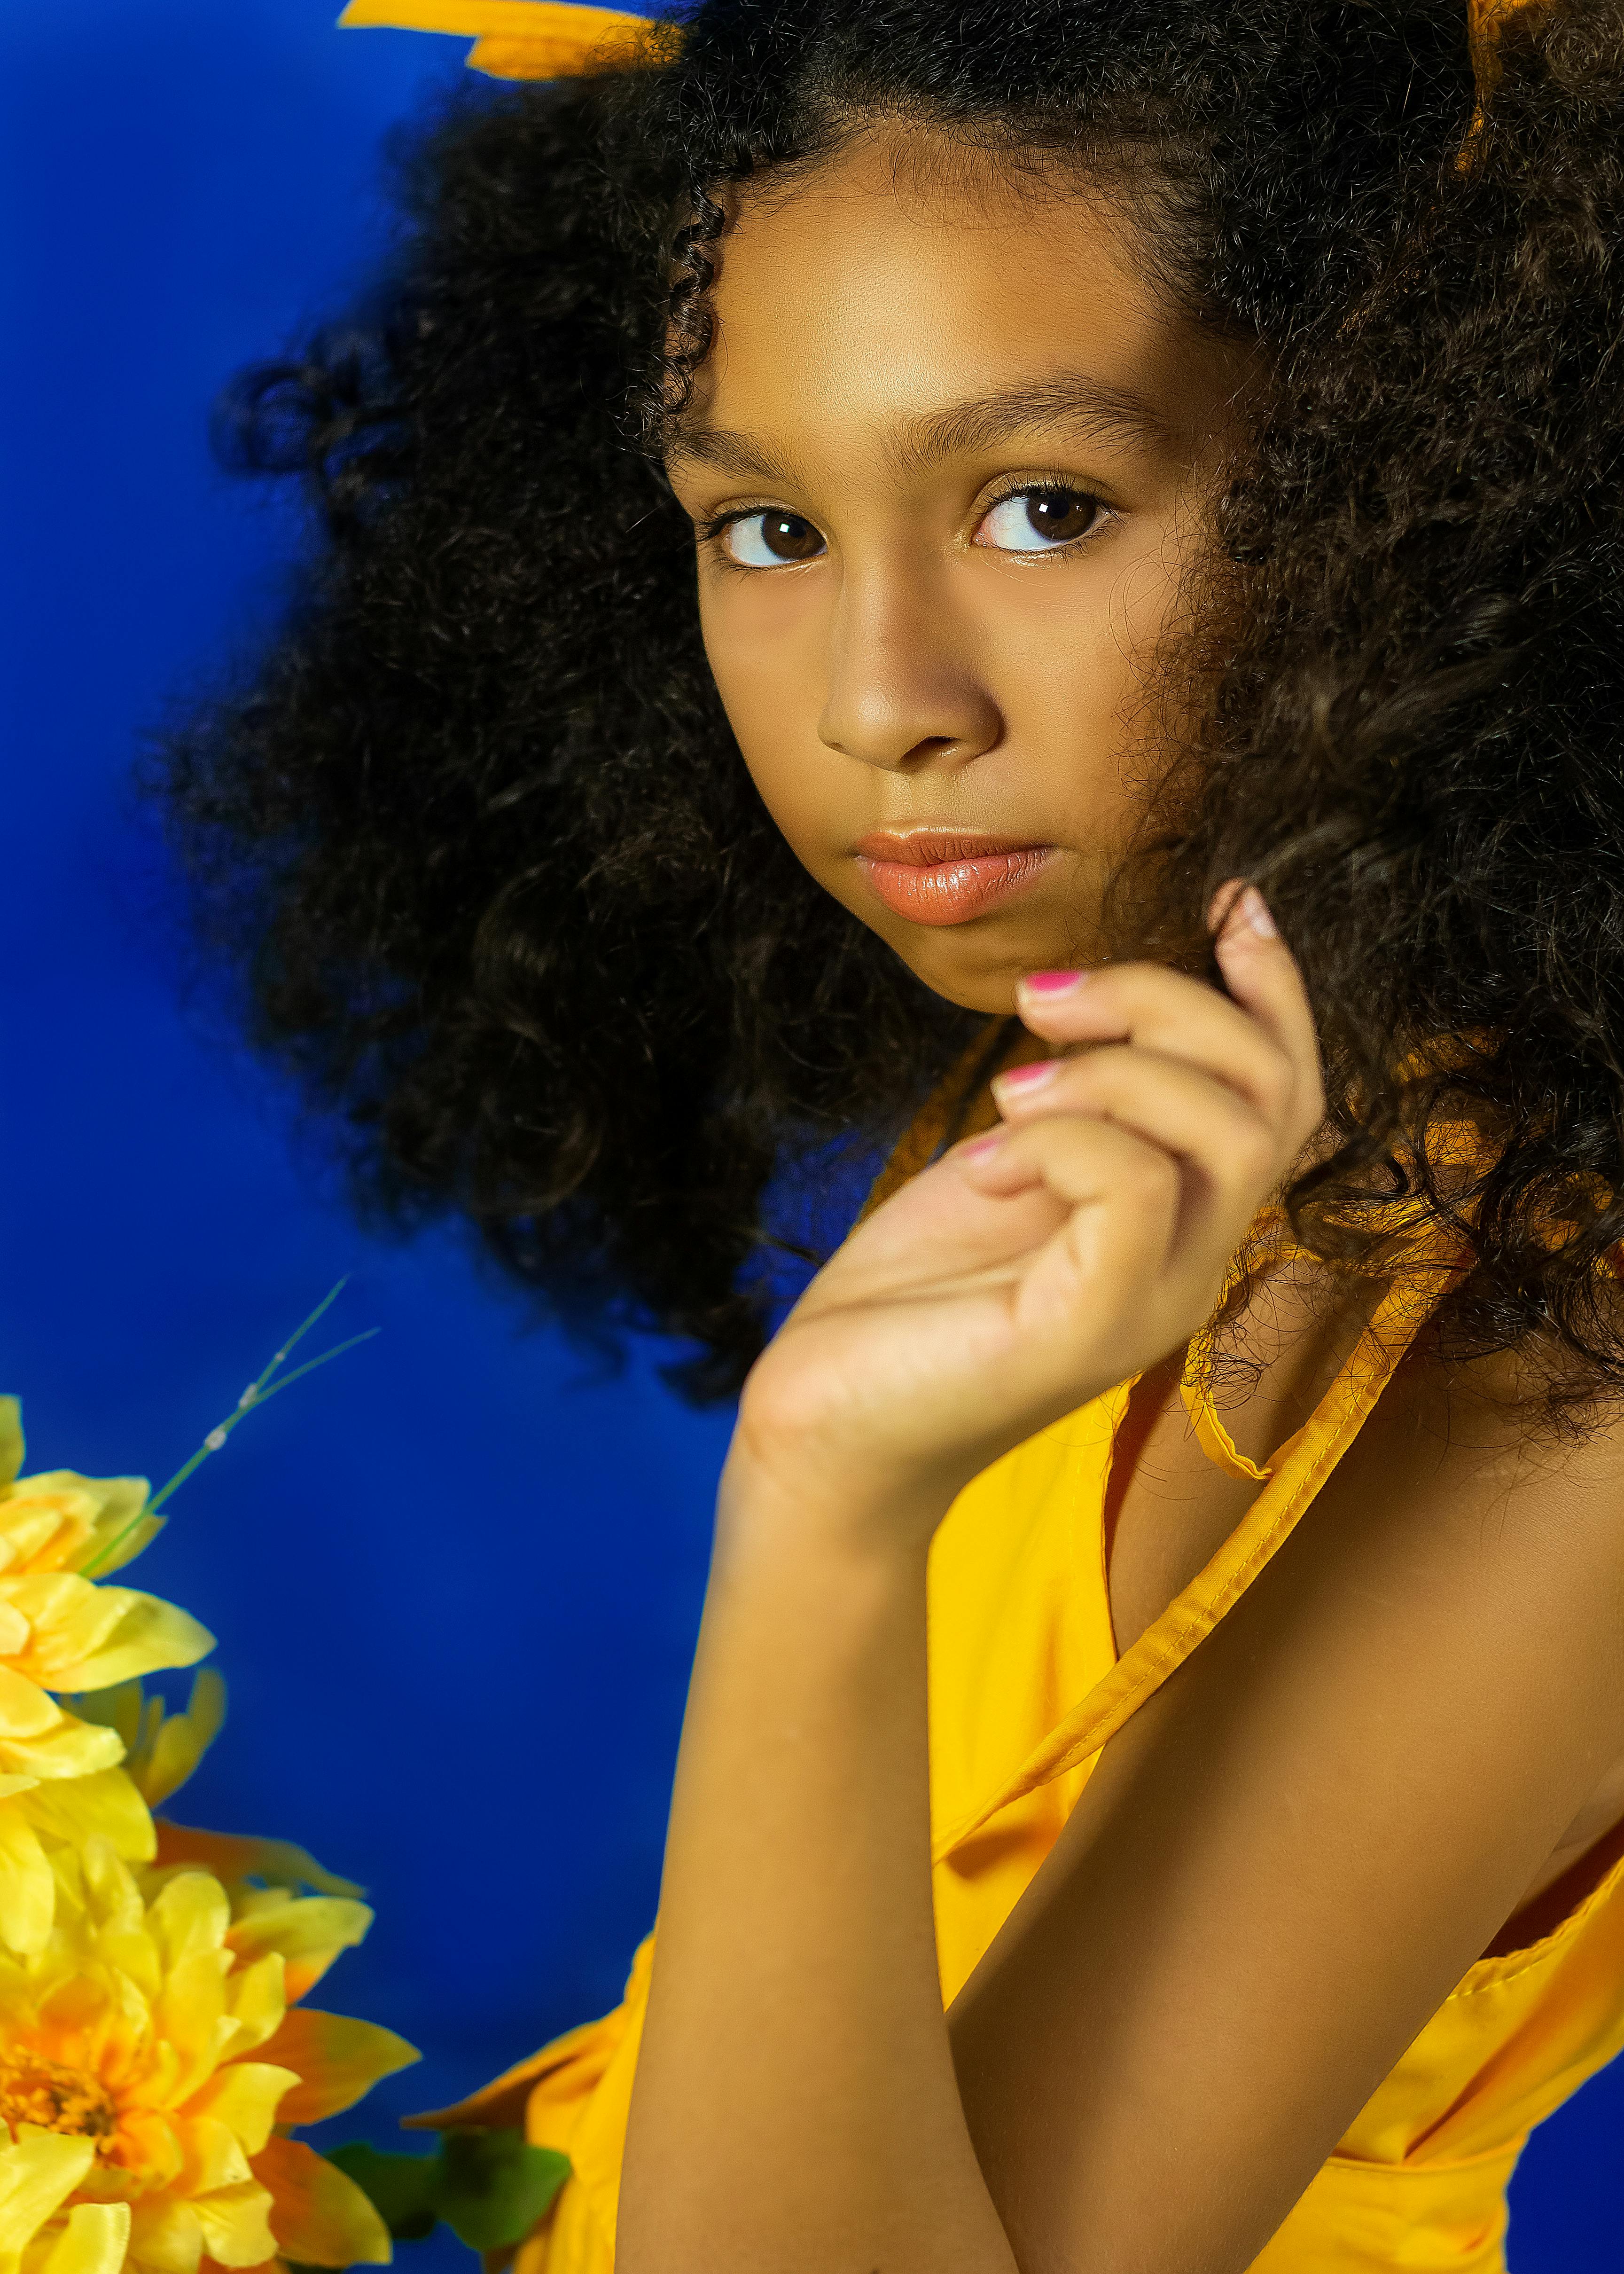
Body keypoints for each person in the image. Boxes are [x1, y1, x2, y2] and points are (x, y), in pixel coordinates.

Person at [160, 0, 1624, 2266]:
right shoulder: (1130, 1091)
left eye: (1044, 507)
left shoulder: (1567, 1371)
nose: (878, 700)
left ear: (1448, 477)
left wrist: (822, 1507)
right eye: (762, 526)